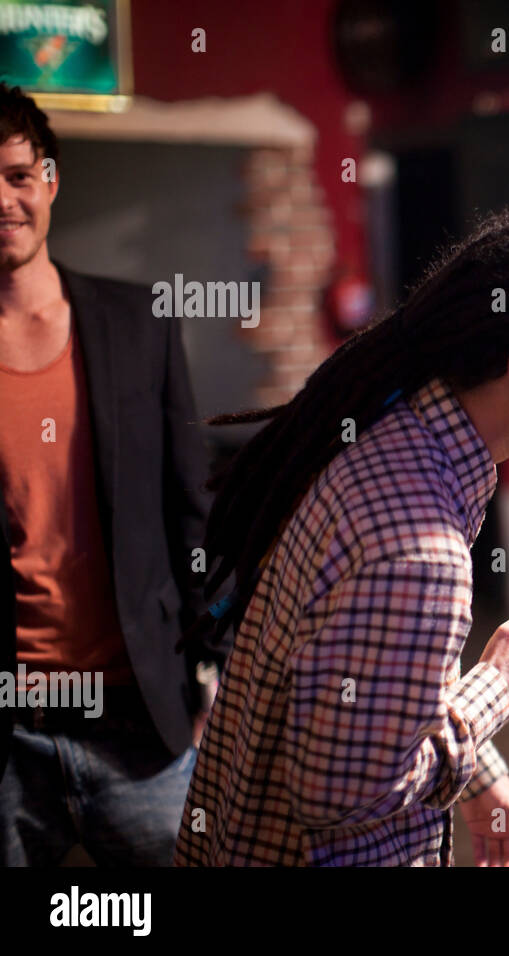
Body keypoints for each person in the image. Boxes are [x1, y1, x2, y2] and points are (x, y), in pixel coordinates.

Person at [174, 191, 509, 866]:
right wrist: (500, 688)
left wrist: (481, 772)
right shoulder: (420, 547)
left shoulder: (390, 431)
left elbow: (360, 683)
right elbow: (343, 796)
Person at [0, 83, 215, 865]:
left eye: (19, 176)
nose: (4, 200)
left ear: (49, 180)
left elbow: (190, 511)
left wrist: (208, 674)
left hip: (138, 715)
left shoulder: (139, 323)